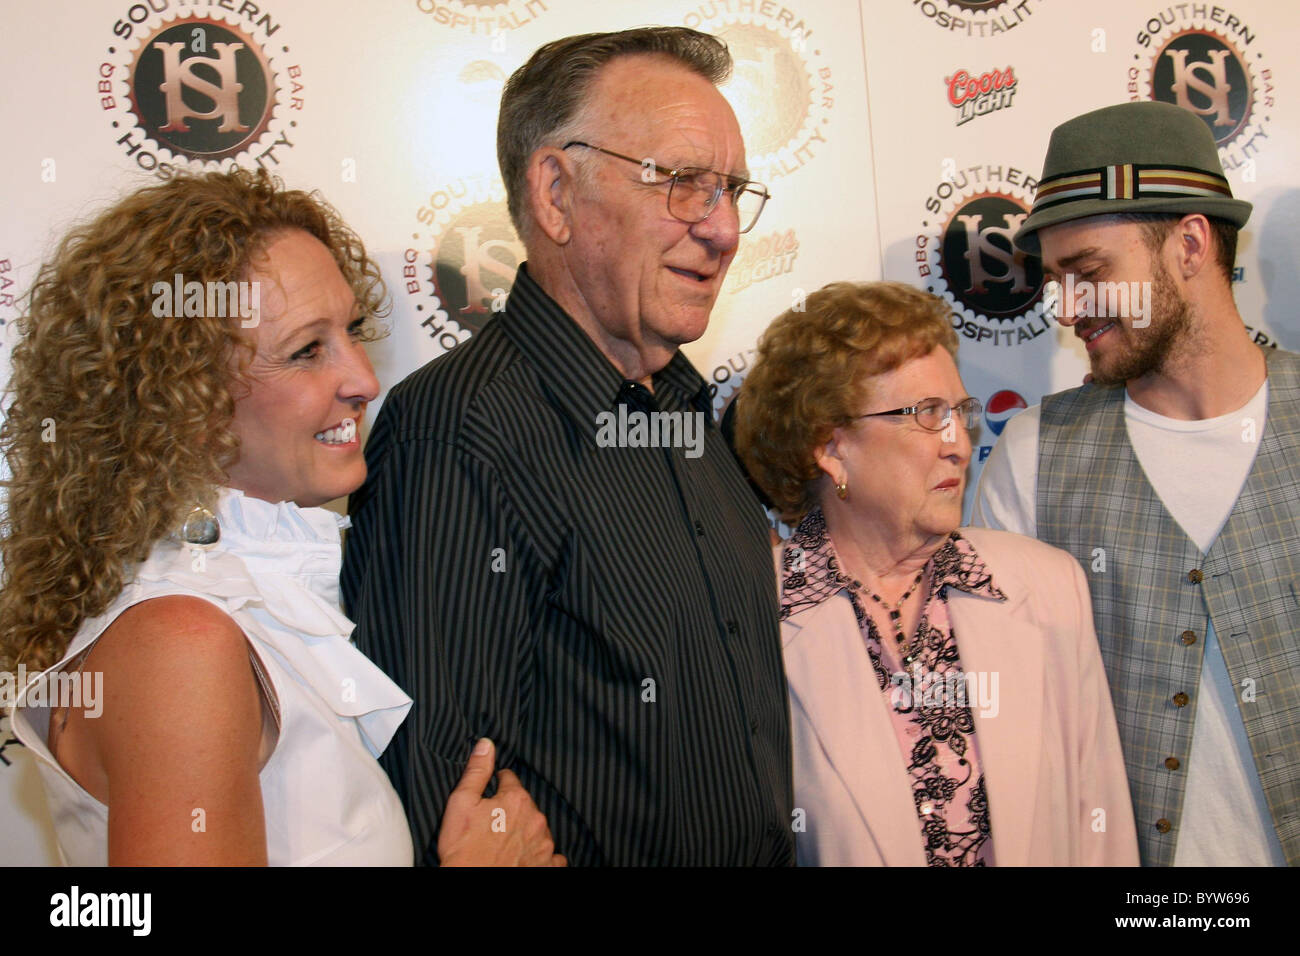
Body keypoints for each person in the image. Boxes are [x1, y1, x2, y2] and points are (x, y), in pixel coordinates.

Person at [0, 168, 563, 866]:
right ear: (187, 400)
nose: (364, 379)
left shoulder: (236, 609)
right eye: (306, 352)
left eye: (352, 332)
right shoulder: (182, 639)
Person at [341, 27, 794, 866]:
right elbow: (448, 800)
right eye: (683, 183)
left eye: (731, 189)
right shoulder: (460, 433)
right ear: (555, 192)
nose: (725, 229)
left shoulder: (697, 415)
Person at [972, 100, 1299, 867]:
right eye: (1055, 280)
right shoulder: (1031, 457)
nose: (1068, 309)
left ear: (1189, 242)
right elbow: (1012, 729)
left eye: (1087, 273)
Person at [736, 280, 1138, 866]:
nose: (959, 442)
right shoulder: (749, 617)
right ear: (830, 447)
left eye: (960, 411)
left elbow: (1102, 838)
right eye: (926, 414)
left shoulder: (1049, 588)